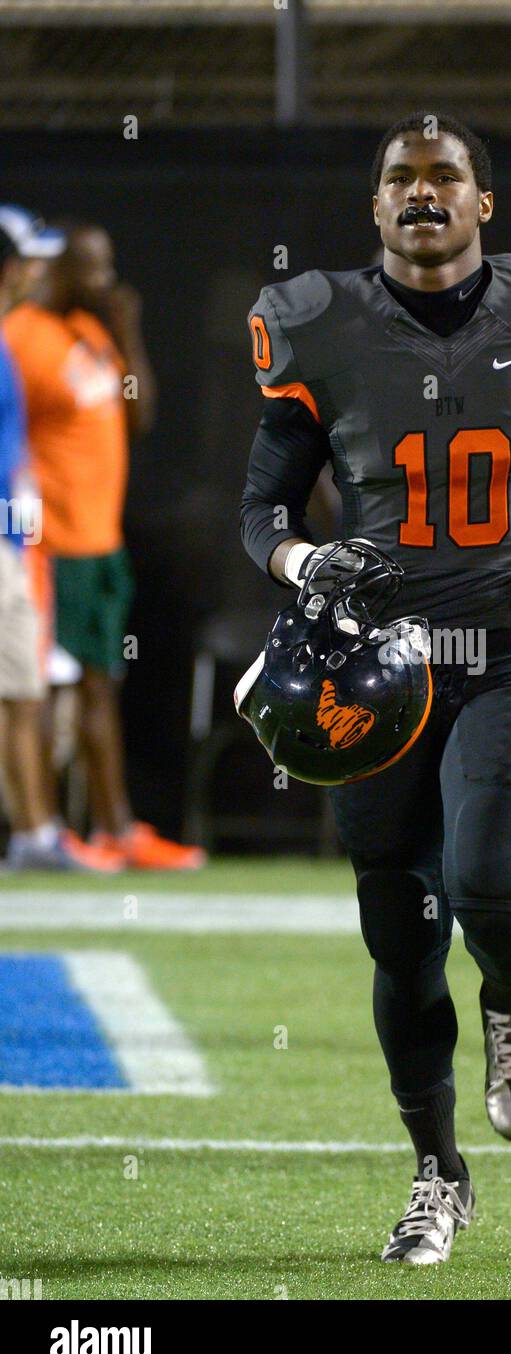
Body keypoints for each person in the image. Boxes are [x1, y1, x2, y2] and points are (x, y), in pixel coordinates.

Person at [240, 112, 511, 1264]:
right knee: (399, 933)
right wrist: (305, 560)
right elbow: (264, 509)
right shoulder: (317, 327)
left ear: (485, 205)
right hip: (379, 663)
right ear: (373, 208)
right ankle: (437, 1175)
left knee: (485, 879)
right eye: (398, 179)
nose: (420, 192)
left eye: (445, 177)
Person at [3, 222, 205, 871]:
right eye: (89, 269)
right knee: (43, 694)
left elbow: (138, 415)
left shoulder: (92, 335)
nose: (102, 282)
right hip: (50, 543)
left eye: (106, 269)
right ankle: (47, 828)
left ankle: (107, 827)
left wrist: (125, 332)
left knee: (94, 689)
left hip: (100, 540)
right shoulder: (23, 338)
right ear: (56, 270)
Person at [0, 207, 124, 872]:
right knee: (27, 691)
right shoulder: (16, 337)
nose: (37, 271)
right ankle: (37, 831)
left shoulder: (50, 334)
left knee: (27, 690)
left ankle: (37, 834)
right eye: (31, 259)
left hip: (26, 540)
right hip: (26, 540)